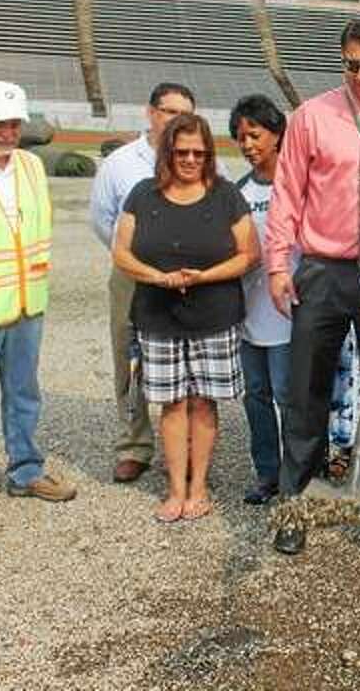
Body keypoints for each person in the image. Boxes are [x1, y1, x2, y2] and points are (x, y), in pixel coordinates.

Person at [265, 17, 360, 554]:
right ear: (342, 62)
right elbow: (286, 192)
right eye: (352, 65)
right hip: (324, 266)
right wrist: (278, 266)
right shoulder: (311, 116)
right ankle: (296, 504)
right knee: (306, 391)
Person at [112, 113, 258, 523]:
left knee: (203, 404)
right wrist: (157, 277)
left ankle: (199, 487)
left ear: (209, 154)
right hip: (157, 315)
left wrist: (204, 277)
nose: (190, 159)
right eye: (181, 152)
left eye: (199, 152)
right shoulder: (143, 194)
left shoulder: (227, 195)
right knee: (172, 405)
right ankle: (176, 489)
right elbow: (121, 253)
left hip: (214, 314)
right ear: (167, 152)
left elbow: (250, 254)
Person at [0, 81, 76, 527]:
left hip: (28, 302)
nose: (8, 132)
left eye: (14, 124)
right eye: (0, 123)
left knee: (24, 394)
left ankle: (25, 472)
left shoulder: (30, 166)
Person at [89, 82, 197, 484]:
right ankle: (134, 444)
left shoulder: (198, 161)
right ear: (150, 113)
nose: (177, 121)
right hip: (134, 275)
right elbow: (102, 221)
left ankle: (183, 446)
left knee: (185, 361)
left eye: (186, 114)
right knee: (129, 358)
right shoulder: (119, 164)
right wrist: (134, 261)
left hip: (186, 278)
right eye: (170, 112)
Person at [230, 94, 290, 505]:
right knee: (256, 396)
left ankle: (300, 473)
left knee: (290, 397)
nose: (248, 144)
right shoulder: (238, 192)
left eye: (255, 135)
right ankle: (267, 472)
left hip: (289, 314)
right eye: (240, 138)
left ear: (276, 134)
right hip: (250, 314)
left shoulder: (299, 183)